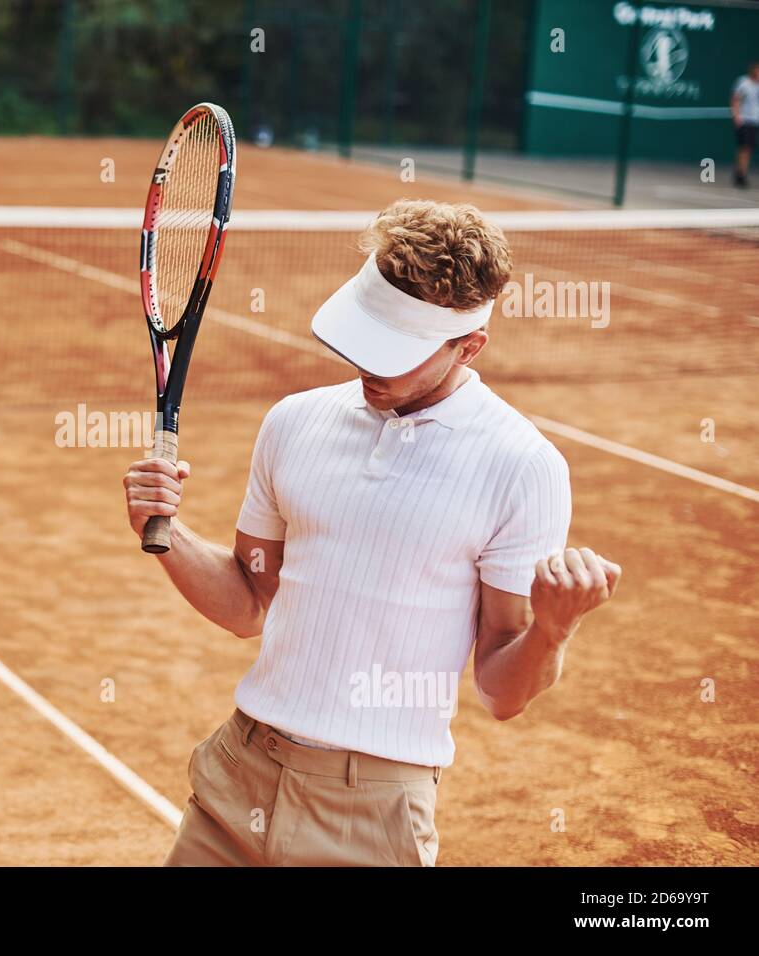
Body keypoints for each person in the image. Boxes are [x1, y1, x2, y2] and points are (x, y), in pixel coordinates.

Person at [123, 199, 622, 866]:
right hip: (237, 780)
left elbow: (502, 692)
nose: (369, 365)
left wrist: (553, 631)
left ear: (469, 345)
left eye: (397, 352)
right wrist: (167, 532)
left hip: (372, 816)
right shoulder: (294, 422)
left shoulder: (522, 467)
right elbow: (249, 603)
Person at [733, 61, 759, 188]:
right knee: (744, 148)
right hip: (745, 120)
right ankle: (740, 174)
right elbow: (736, 99)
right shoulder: (744, 83)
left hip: (755, 120)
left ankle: (740, 172)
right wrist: (737, 116)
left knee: (748, 149)